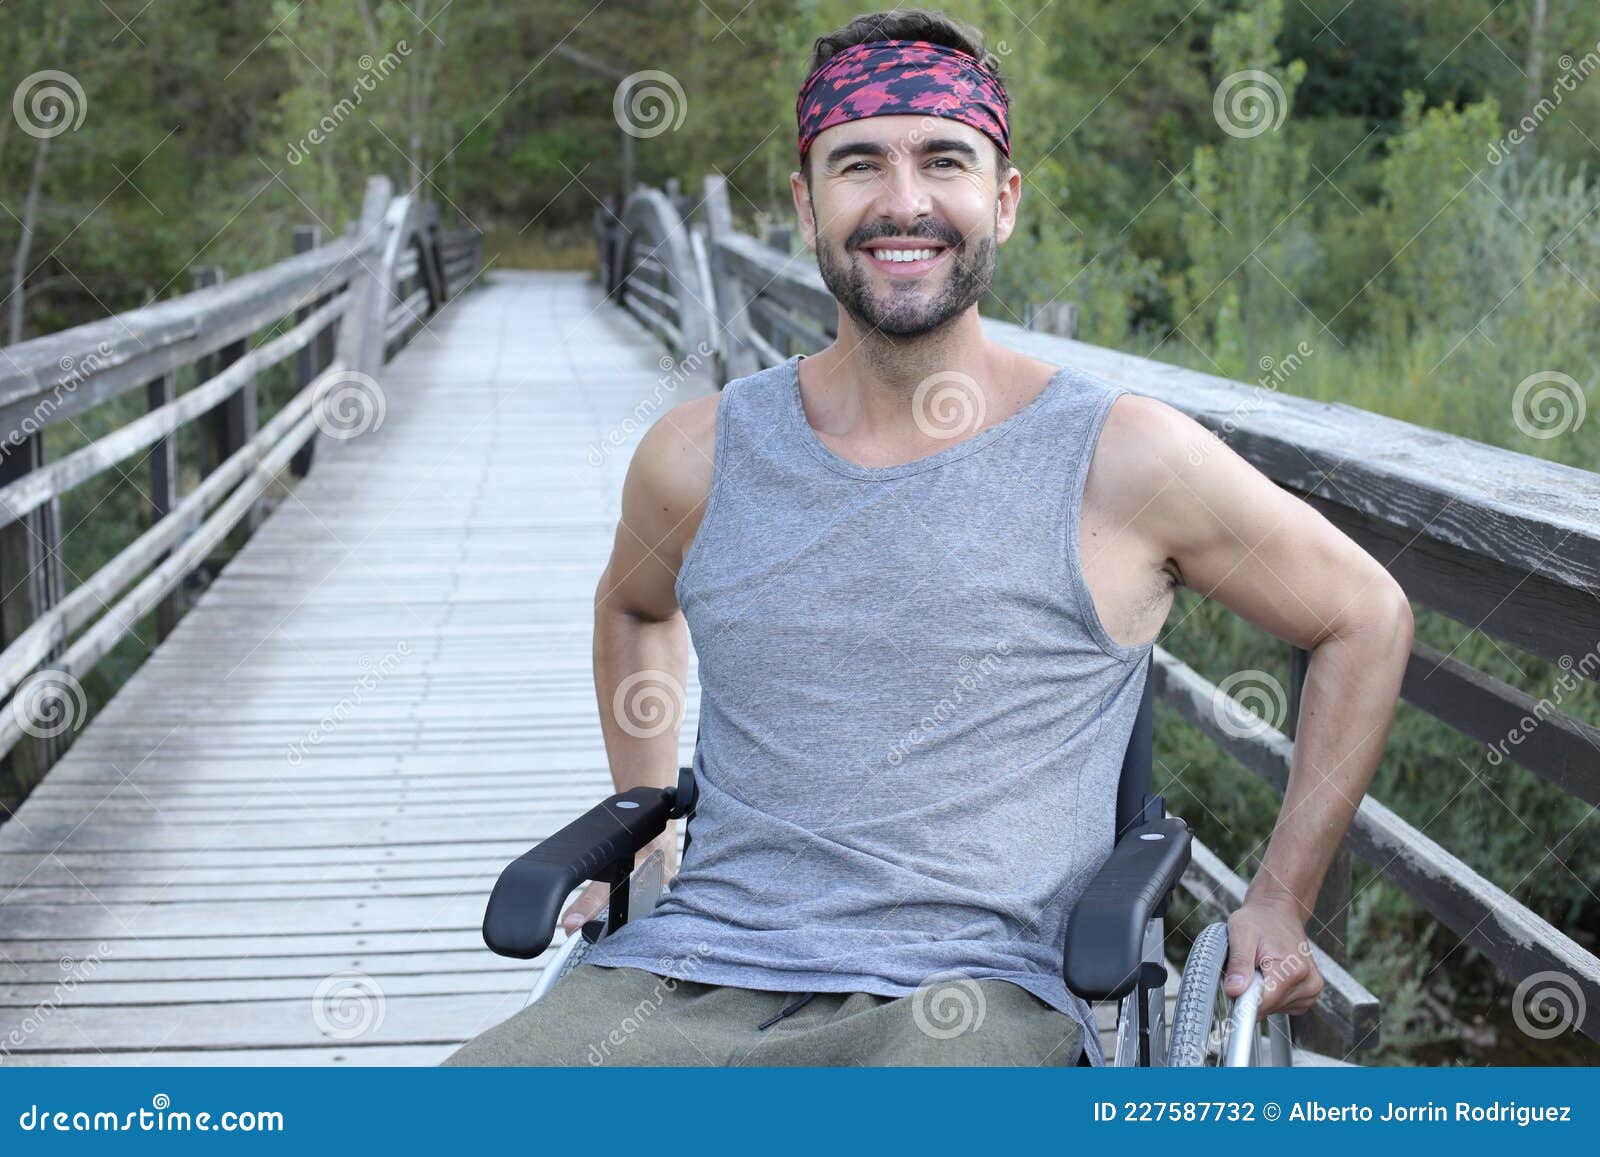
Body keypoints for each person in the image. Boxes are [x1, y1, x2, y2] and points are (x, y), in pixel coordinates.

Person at [442, 7, 1413, 1067]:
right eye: (859, 164)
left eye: (942, 159)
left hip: (967, 1002)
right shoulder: (697, 455)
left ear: (1002, 200)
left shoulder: (1122, 458)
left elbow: (1363, 614)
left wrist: (1279, 898)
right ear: (805, 204)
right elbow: (633, 606)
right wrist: (650, 834)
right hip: (687, 972)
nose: (903, 201)